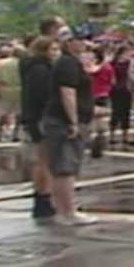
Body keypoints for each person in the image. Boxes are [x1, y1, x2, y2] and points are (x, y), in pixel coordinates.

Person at [41, 28, 98, 226]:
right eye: (79, 39)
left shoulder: (70, 62)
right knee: (66, 167)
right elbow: (68, 93)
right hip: (63, 121)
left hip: (62, 119)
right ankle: (68, 212)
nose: (84, 43)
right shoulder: (68, 63)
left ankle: (64, 210)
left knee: (63, 167)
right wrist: (73, 121)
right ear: (69, 42)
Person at [21, 36, 59, 220]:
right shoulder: (41, 70)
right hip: (41, 118)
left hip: (35, 117)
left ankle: (43, 196)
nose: (55, 53)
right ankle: (44, 198)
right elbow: (43, 96)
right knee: (44, 160)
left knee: (42, 160)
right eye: (53, 49)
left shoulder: (32, 67)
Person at [85, 45, 115, 159]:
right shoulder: (107, 67)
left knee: (90, 119)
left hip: (90, 94)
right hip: (103, 94)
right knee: (101, 120)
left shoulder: (88, 67)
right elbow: (112, 81)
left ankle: (90, 141)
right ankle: (99, 142)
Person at [0, 46, 22, 143]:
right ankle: (15, 134)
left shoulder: (2, 63)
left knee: (2, 113)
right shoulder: (23, 64)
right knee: (18, 114)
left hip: (4, 89)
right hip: (20, 90)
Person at [109, 45, 134, 148]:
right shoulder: (114, 63)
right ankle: (115, 135)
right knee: (117, 111)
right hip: (119, 89)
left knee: (124, 112)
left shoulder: (124, 63)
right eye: (127, 53)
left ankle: (123, 135)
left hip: (122, 89)